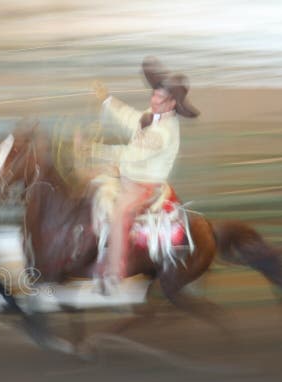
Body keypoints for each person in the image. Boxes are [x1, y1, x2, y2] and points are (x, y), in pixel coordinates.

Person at [80, 56, 199, 291]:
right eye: (154, 95)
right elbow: (130, 118)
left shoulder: (163, 133)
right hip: (129, 174)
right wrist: (107, 99)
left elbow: (132, 154)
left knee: (119, 213)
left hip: (144, 185)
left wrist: (94, 150)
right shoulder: (151, 115)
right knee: (88, 185)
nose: (154, 100)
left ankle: (115, 271)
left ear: (172, 104)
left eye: (160, 98)